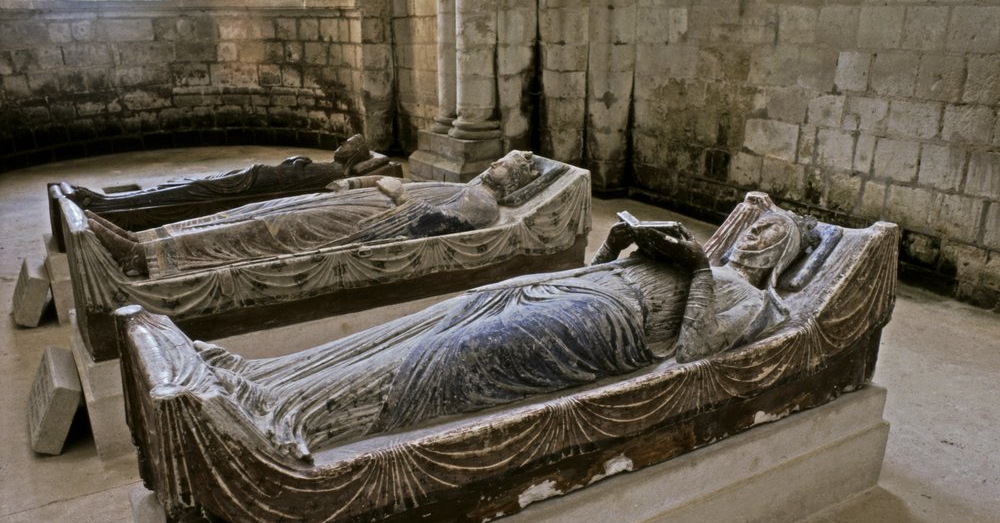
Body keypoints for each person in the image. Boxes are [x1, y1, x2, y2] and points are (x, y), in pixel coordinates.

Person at [191, 206, 813, 462]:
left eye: (771, 236)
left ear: (778, 256)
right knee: (446, 312)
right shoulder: (695, 251)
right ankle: (266, 375)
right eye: (755, 228)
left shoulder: (755, 298)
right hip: (570, 291)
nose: (756, 236)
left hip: (602, 329)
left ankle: (292, 417)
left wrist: (699, 269)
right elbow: (596, 271)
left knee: (454, 352)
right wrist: (617, 245)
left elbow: (694, 351)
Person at [87, 151, 540, 278]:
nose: (498, 162)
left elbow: (437, 226)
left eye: (509, 163)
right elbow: (410, 187)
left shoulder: (483, 202)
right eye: (504, 158)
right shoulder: (468, 185)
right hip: (359, 203)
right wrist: (355, 182)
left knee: (267, 231)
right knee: (270, 207)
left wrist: (396, 193)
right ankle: (150, 237)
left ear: (512, 182)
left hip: (367, 225)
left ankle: (148, 259)